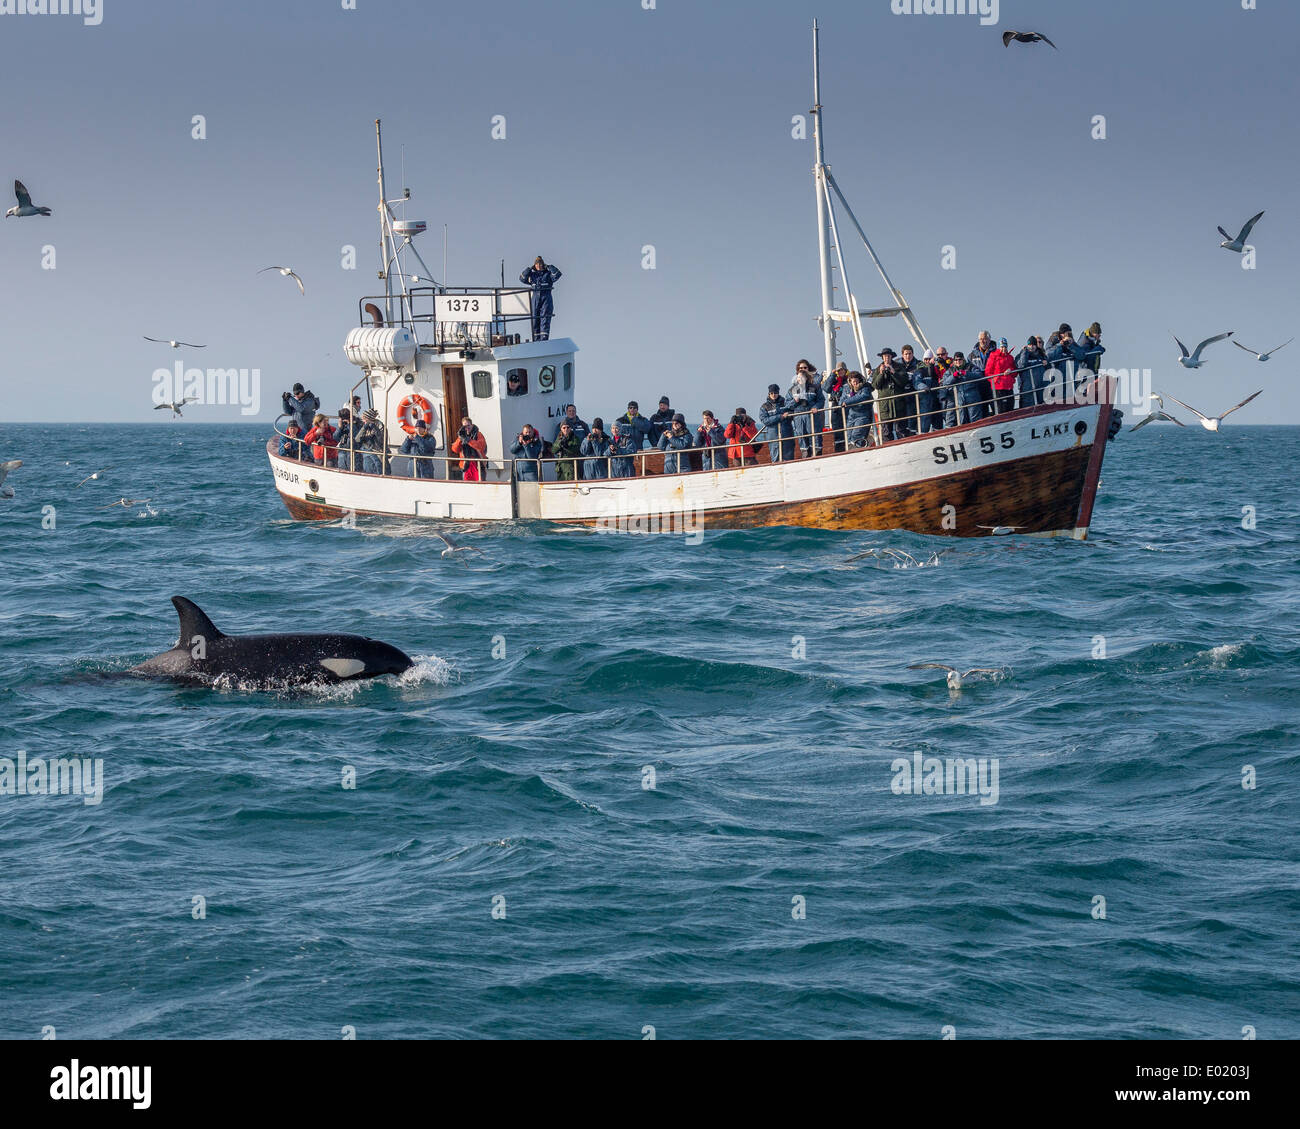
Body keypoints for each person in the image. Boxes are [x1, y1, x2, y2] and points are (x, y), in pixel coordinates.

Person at [872, 348, 911, 442]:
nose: (886, 358)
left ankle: (905, 447)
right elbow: (875, 385)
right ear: (882, 357)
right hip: (885, 407)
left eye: (888, 356)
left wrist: (894, 372)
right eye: (885, 356)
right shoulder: (878, 369)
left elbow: (903, 382)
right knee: (886, 433)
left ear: (891, 357)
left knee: (901, 430)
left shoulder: (899, 367)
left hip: (898, 405)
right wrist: (881, 374)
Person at [519, 256, 562, 341]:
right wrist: (529, 269)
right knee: (535, 318)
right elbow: (522, 278)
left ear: (543, 264)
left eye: (540, 264)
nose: (539, 266)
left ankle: (544, 338)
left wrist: (550, 267)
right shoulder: (532, 275)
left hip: (546, 298)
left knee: (545, 318)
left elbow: (558, 274)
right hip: (535, 298)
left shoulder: (548, 274)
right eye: (537, 264)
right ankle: (536, 339)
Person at [788, 360, 825, 457]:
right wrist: (794, 401)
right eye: (799, 377)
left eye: (802, 377)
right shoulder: (792, 390)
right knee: (802, 437)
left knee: (815, 436)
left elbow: (821, 400)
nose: (800, 379)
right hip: (799, 417)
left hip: (811, 416)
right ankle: (805, 456)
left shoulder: (815, 387)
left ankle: (817, 455)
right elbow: (787, 405)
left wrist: (816, 407)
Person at [758, 384, 796, 462]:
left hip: (787, 434)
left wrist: (789, 415)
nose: (773, 395)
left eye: (775, 393)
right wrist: (780, 417)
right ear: (769, 394)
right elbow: (764, 420)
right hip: (773, 437)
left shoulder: (786, 403)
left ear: (778, 393)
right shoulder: (765, 407)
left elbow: (793, 413)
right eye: (771, 393)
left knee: (789, 458)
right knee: (775, 459)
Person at [947, 353, 984, 425]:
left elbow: (979, 375)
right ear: (954, 361)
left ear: (963, 359)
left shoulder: (971, 367)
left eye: (960, 359)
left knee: (975, 420)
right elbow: (945, 382)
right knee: (962, 420)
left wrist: (967, 374)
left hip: (972, 396)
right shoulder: (951, 370)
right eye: (956, 360)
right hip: (959, 398)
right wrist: (953, 376)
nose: (958, 361)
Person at [840, 372, 875, 448]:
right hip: (851, 417)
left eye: (857, 381)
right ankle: (853, 454)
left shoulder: (865, 387)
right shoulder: (846, 388)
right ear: (850, 382)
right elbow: (841, 401)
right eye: (853, 382)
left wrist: (847, 401)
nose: (855, 383)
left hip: (863, 416)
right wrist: (844, 402)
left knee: (856, 436)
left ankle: (858, 451)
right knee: (849, 438)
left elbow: (863, 396)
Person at [985, 338, 1018, 415]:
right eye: (1002, 347)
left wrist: (1011, 370)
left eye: (1005, 347)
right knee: (1000, 411)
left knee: (1010, 409)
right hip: (998, 388)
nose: (1004, 349)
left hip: (1009, 387)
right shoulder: (993, 356)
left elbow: (1015, 372)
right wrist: (996, 379)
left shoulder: (1010, 357)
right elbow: (987, 373)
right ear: (999, 347)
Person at [913, 350, 942, 433]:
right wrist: (924, 387)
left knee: (937, 421)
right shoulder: (919, 371)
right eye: (926, 359)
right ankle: (922, 436)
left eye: (929, 359)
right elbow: (916, 382)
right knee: (924, 422)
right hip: (925, 400)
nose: (927, 361)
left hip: (935, 400)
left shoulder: (935, 369)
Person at [1015, 336, 1048, 408]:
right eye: (1029, 345)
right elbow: (1021, 365)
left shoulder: (1041, 355)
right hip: (1027, 390)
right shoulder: (1021, 355)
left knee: (1042, 408)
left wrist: (1046, 362)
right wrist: (1024, 352)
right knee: (1027, 409)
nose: (1031, 347)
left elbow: (1048, 368)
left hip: (1040, 388)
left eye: (1033, 345)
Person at [824, 363, 851, 452]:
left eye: (842, 370)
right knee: (837, 429)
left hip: (846, 406)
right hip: (835, 407)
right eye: (838, 370)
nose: (840, 372)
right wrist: (832, 375)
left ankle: (849, 447)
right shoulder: (834, 380)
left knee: (848, 427)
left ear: (845, 370)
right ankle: (839, 449)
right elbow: (826, 388)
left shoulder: (849, 380)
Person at [452, 417, 488, 482]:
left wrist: (468, 440)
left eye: (468, 425)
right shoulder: (462, 436)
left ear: (472, 425)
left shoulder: (478, 435)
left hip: (478, 465)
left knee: (481, 485)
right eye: (464, 426)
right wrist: (460, 439)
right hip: (466, 465)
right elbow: (455, 449)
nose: (467, 428)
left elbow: (480, 446)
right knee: (467, 486)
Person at [355, 409, 387, 474]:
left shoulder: (380, 426)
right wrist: (364, 427)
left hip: (377, 453)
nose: (362, 420)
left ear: (368, 419)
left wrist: (374, 429)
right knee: (368, 471)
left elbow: (381, 440)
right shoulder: (364, 426)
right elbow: (357, 439)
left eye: (364, 418)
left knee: (378, 471)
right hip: (366, 451)